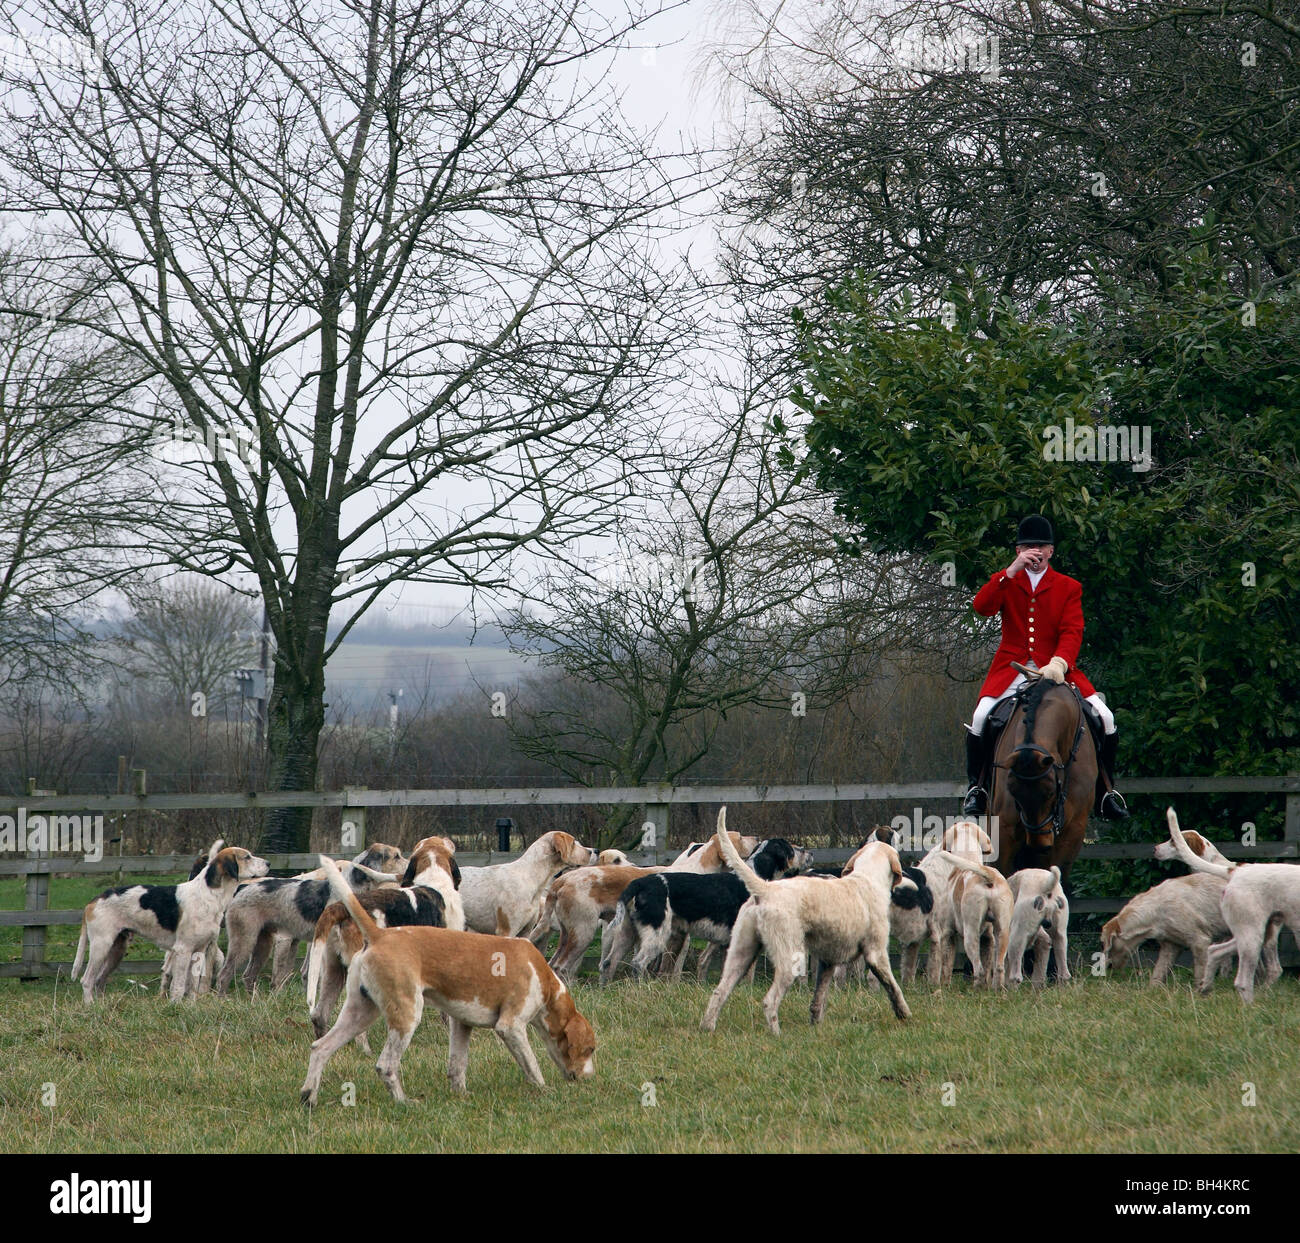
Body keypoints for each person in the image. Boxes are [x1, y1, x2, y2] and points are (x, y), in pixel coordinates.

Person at [962, 514, 1128, 820]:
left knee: (1105, 717)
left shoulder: (1068, 587)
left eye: (1040, 546)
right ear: (1018, 551)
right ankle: (978, 788)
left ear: (1050, 551)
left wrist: (1059, 662)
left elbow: (1072, 631)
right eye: (1027, 547)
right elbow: (981, 607)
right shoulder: (1007, 581)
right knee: (981, 716)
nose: (1034, 552)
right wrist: (1009, 572)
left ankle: (1106, 792)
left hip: (1057, 667)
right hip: (1012, 669)